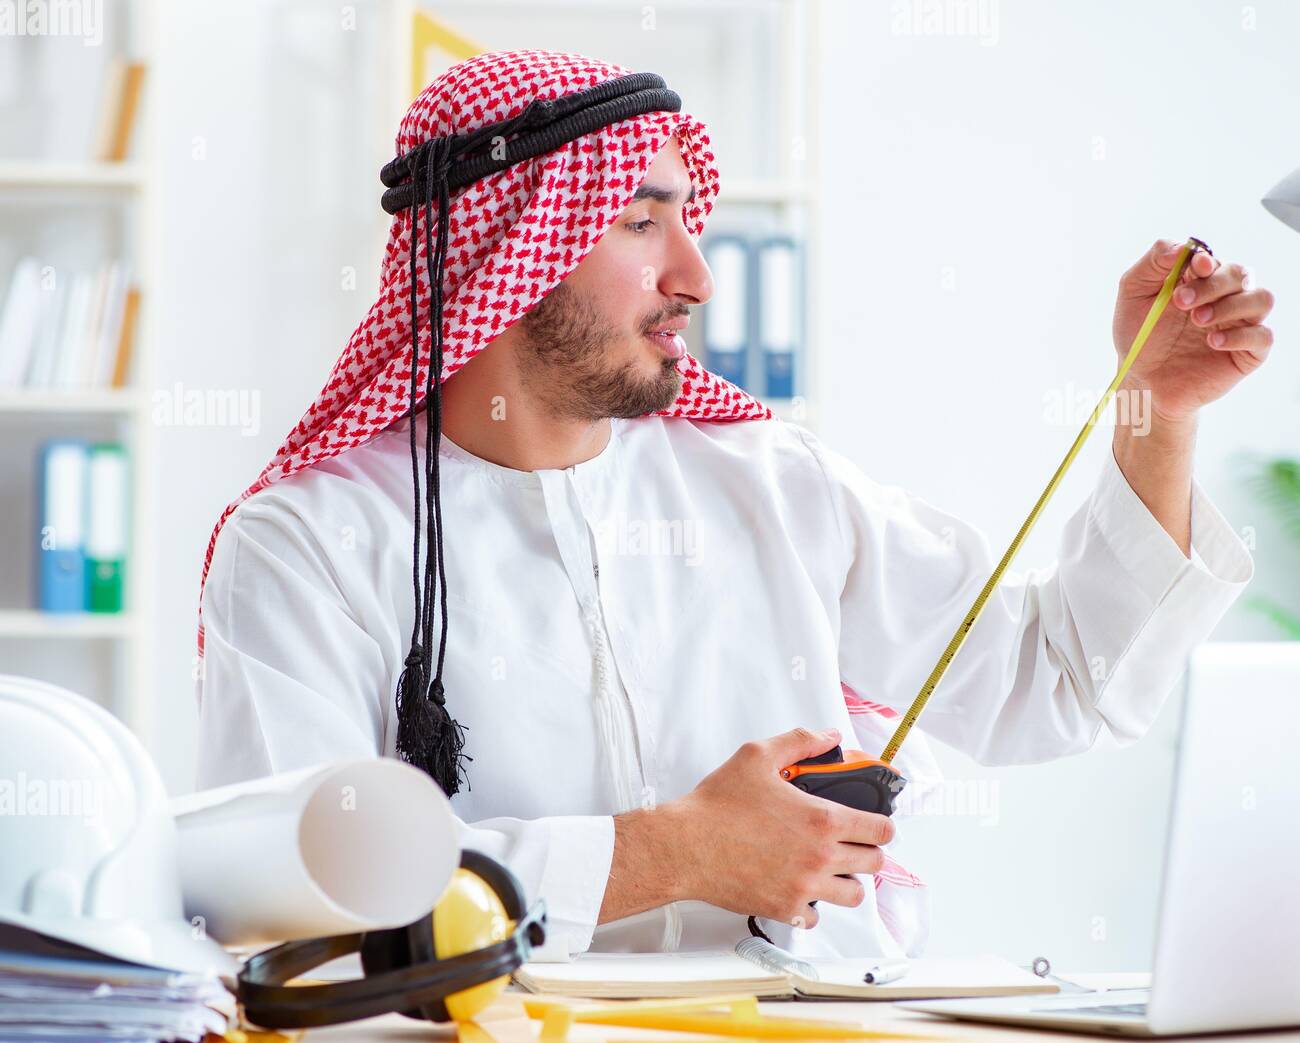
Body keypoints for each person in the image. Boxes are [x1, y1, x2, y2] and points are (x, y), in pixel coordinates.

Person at [193, 50, 1266, 961]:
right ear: (500, 253)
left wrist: (1154, 410)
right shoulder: (307, 545)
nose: (697, 276)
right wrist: (673, 852)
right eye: (637, 223)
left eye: (687, 222)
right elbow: (297, 893)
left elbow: (1062, 683)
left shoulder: (773, 483)